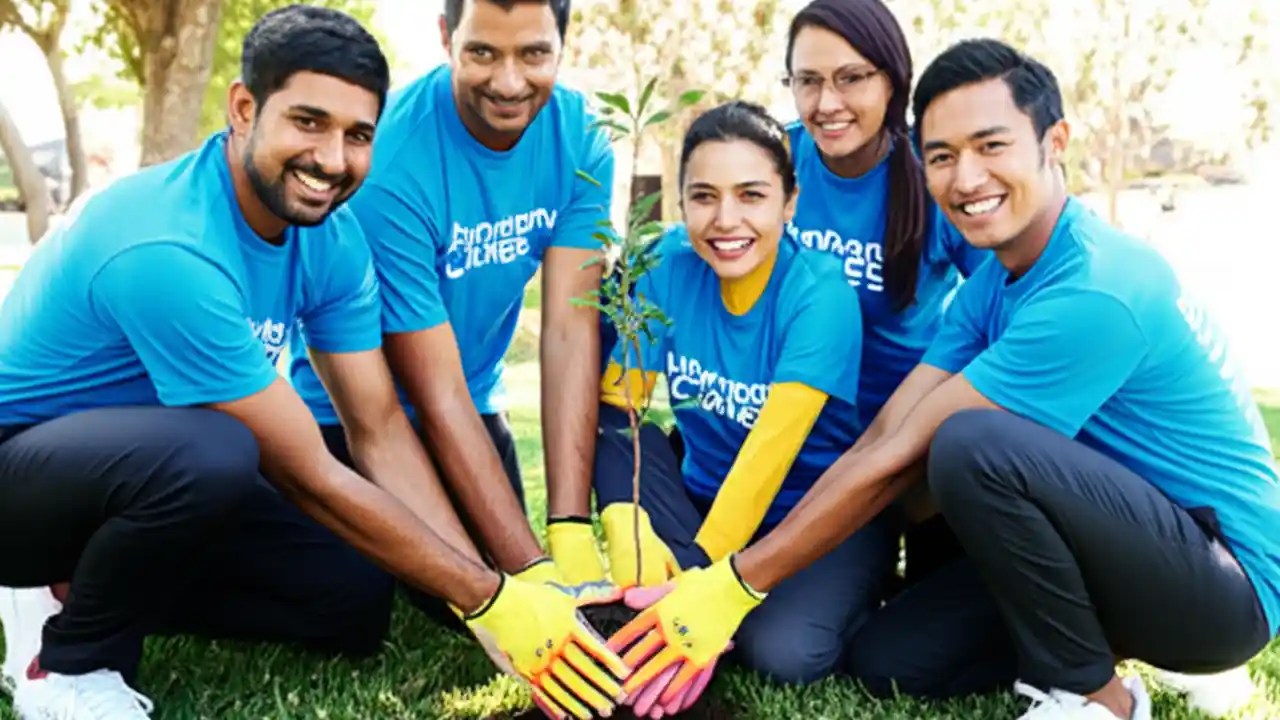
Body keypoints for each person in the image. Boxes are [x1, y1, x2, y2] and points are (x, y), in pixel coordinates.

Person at [609, 39, 1280, 720]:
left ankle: (1097, 696)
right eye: (941, 156)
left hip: (1224, 581)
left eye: (991, 146)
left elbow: (911, 454)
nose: (966, 178)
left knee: (967, 444)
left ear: (1056, 142)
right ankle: (1133, 642)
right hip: (1112, 550)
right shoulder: (993, 284)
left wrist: (731, 586)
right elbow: (885, 433)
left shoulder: (1095, 288)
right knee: (888, 659)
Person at [0, 7, 627, 720]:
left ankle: (77, 578)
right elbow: (307, 470)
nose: (332, 158)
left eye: (356, 135)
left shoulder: (328, 235)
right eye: (308, 122)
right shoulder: (169, 248)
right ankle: (70, 664)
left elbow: (380, 427)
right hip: (20, 470)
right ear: (244, 108)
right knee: (213, 453)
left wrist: (491, 602)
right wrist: (491, 594)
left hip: (132, 464)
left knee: (353, 589)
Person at [287, 0, 613, 595]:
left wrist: (567, 529)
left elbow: (570, 328)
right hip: (353, 417)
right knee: (367, 595)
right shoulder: (391, 160)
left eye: (534, 53)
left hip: (475, 401)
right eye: (483, 52)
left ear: (563, 45)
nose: (509, 82)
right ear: (446, 38)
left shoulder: (583, 139)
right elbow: (429, 390)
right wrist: (533, 576)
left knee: (498, 574)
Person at [593, 100, 897, 692]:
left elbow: (766, 463)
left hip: (813, 517)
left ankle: (845, 594)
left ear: (790, 202)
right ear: (682, 203)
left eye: (751, 195)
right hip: (699, 497)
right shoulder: (665, 264)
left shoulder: (819, 294)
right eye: (704, 196)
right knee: (631, 444)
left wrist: (694, 590)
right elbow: (619, 412)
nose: (725, 219)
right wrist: (627, 526)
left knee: (779, 654)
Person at [781, 0, 990, 586]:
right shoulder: (777, 159)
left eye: (852, 79)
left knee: (923, 624)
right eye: (808, 82)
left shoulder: (934, 172)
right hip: (797, 434)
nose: (827, 104)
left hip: (909, 444)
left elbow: (1003, 300)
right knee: (787, 640)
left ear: (893, 81)